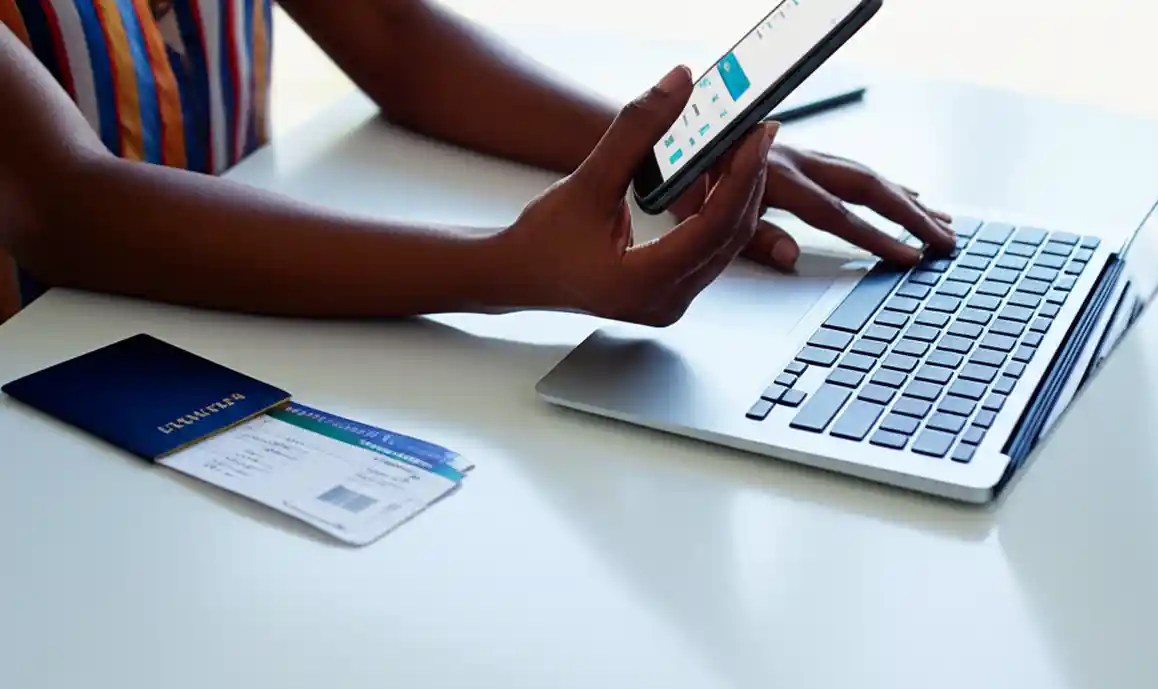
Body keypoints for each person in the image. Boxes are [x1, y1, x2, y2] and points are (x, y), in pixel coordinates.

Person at [0, 0, 954, 325]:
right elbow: (62, 206)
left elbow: (391, 34)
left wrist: (675, 151)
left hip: (218, 325)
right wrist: (504, 268)